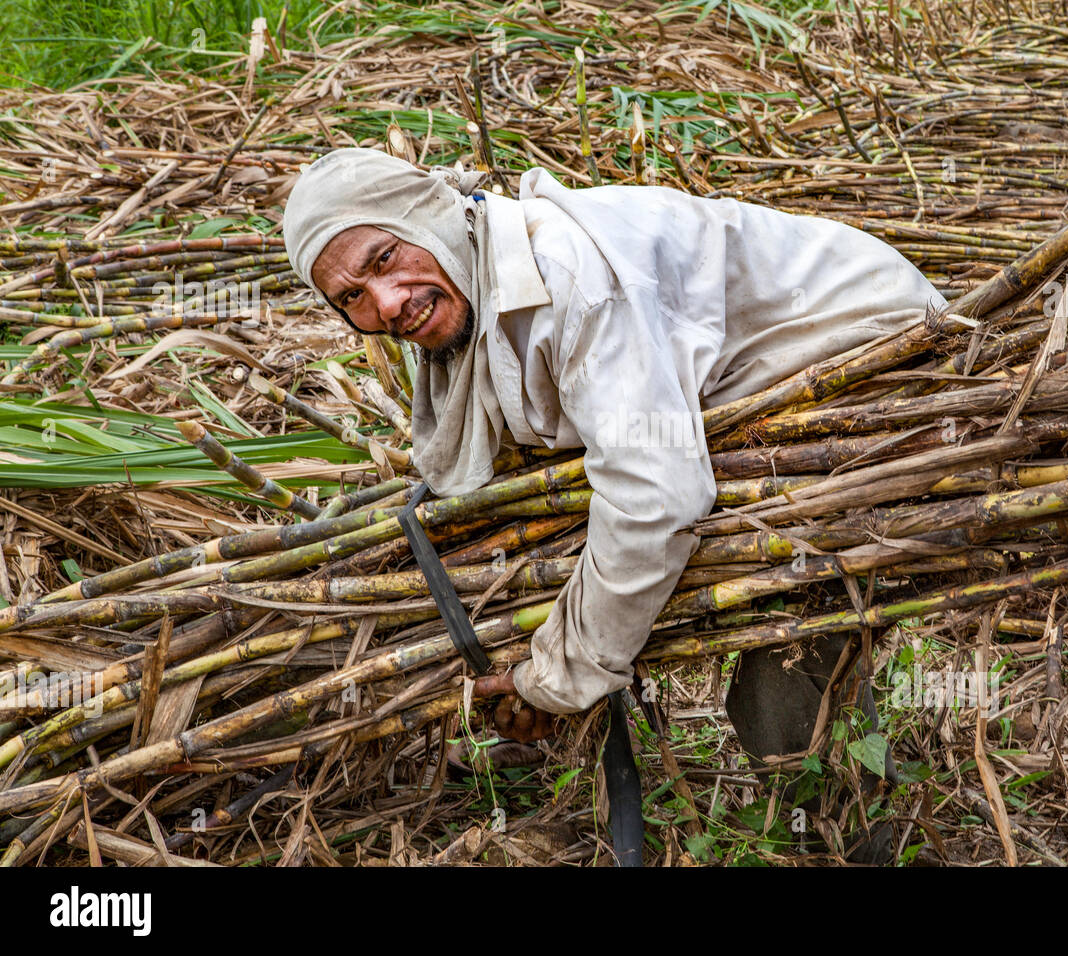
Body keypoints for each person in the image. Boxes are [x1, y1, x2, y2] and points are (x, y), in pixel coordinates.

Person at [282, 148, 944, 769]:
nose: (388, 303)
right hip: (758, 407)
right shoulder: (475, 281)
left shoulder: (574, 280)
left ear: (427, 214)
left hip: (871, 371)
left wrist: (559, 676)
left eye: (385, 258)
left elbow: (655, 501)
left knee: (780, 703)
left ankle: (842, 836)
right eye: (352, 299)